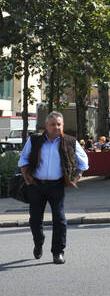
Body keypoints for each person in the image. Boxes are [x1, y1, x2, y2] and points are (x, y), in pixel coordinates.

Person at [18, 111, 89, 264]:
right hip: (36, 185)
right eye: (53, 124)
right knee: (35, 220)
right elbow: (23, 159)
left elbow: (84, 161)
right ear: (46, 126)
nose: (56, 127)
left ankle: (58, 252)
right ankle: (39, 242)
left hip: (56, 186)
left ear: (62, 125)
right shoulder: (35, 140)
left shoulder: (70, 141)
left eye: (59, 124)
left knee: (60, 219)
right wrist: (26, 177)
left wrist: (76, 178)